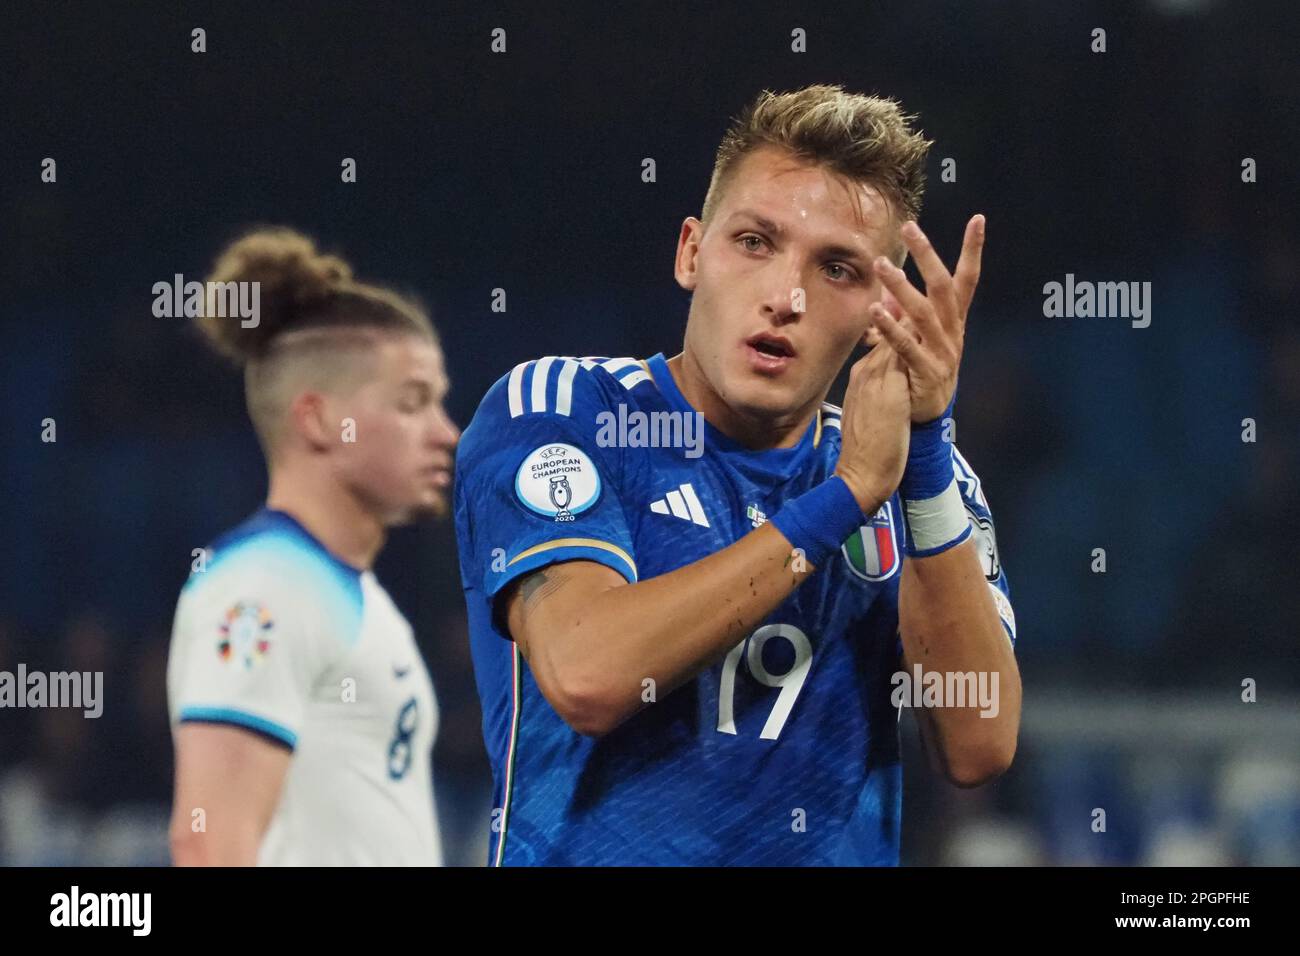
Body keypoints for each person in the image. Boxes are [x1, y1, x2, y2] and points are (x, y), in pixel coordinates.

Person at [454, 85, 1021, 866]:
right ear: (692, 251)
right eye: (755, 242)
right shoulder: (562, 410)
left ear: (882, 313)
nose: (786, 298)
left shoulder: (924, 479)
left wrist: (922, 455)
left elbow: (978, 743)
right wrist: (843, 499)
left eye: (838, 269)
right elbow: (589, 674)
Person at [167, 228, 459, 865]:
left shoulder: (356, 594)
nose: (446, 432)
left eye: (440, 403)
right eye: (414, 403)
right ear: (320, 420)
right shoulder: (263, 589)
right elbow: (209, 844)